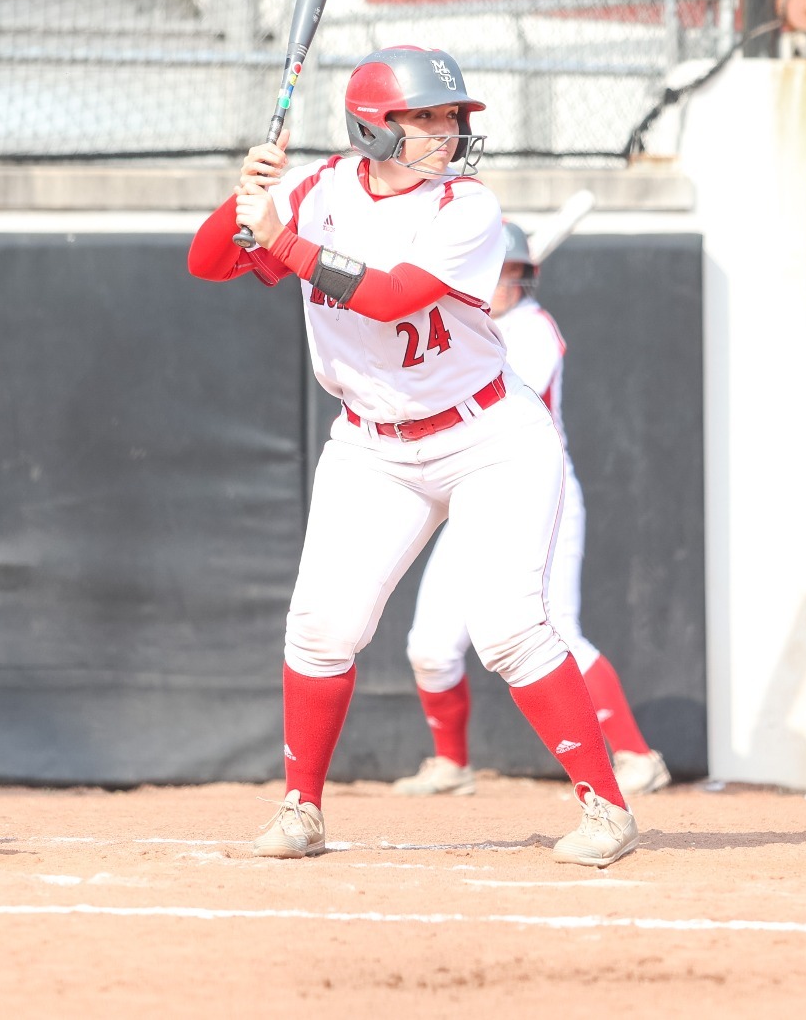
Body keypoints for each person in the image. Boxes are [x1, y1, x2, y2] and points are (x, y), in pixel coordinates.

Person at [187, 45, 637, 868]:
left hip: (489, 435)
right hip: (375, 443)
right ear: (374, 126)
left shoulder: (469, 208)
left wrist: (283, 241)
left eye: (450, 116)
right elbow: (208, 261)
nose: (447, 131)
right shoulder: (316, 189)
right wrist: (243, 197)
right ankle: (301, 810)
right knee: (321, 628)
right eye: (425, 117)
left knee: (508, 628)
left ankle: (605, 806)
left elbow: (391, 294)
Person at [396, 222, 669, 800]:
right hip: (471, 495)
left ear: (522, 280)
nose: (497, 287)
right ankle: (451, 764)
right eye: (487, 276)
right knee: (430, 645)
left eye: (505, 276)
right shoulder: (468, 330)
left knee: (557, 628)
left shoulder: (531, 331)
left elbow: (489, 393)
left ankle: (637, 757)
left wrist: (460, 330)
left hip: (538, 493)